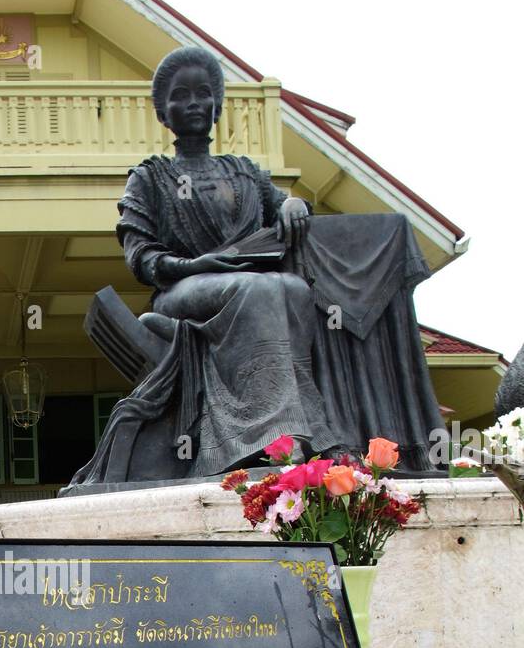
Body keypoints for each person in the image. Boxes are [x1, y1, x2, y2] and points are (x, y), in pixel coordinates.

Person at [72, 45, 446, 485]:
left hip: (252, 282)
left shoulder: (245, 171)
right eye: (180, 95)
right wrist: (197, 264)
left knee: (295, 289)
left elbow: (280, 210)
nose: (193, 103)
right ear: (163, 111)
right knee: (261, 289)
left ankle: (321, 429)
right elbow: (142, 259)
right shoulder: (150, 177)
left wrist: (293, 203)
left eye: (203, 93)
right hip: (184, 290)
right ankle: (275, 437)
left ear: (216, 106)